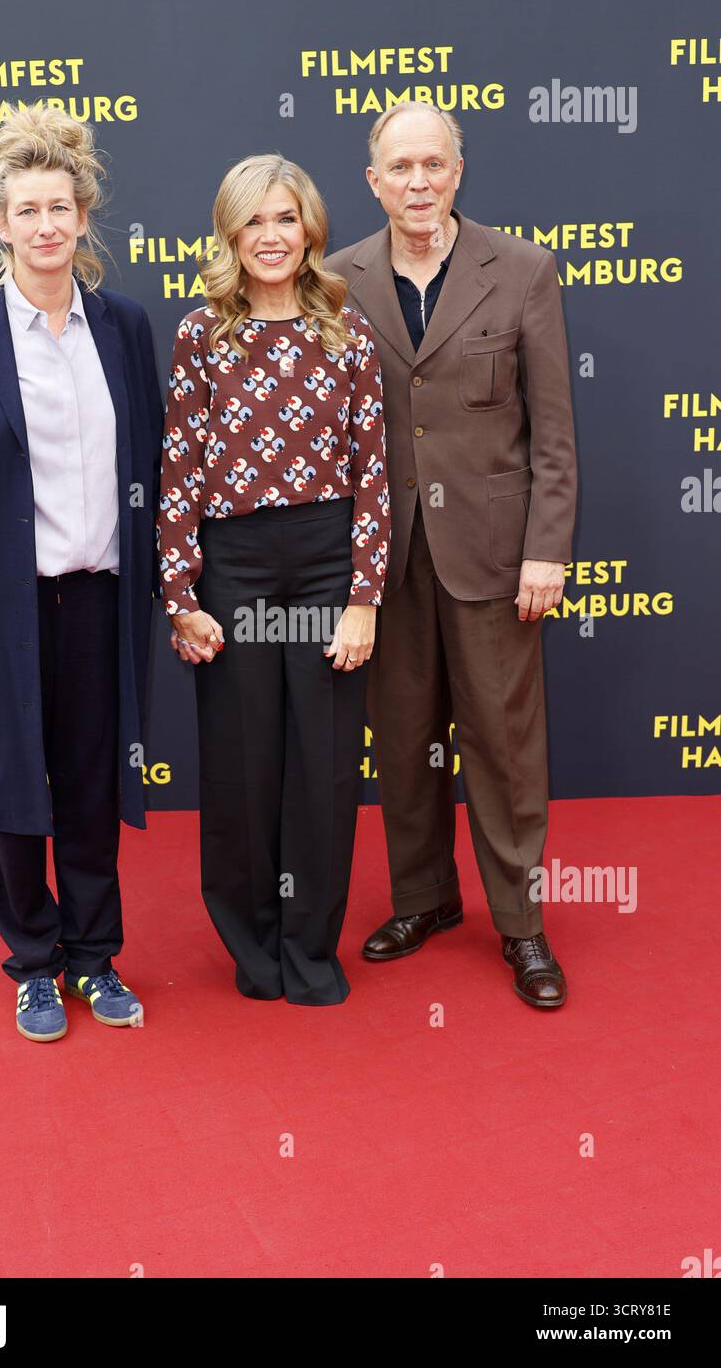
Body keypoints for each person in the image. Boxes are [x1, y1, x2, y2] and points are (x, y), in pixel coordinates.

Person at [0, 105, 163, 1040]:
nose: (46, 225)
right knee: (15, 780)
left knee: (92, 778)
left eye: (62, 206)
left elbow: (151, 454)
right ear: (0, 222)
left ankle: (97, 957)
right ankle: (34, 962)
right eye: (27, 210)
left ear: (83, 218)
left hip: (98, 593)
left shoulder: (125, 326)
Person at [325, 102, 577, 1008]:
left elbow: (553, 432)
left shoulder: (522, 271)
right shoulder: (336, 278)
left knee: (504, 748)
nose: (419, 182)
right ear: (374, 181)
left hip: (495, 555)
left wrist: (546, 550)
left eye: (434, 164)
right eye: (401, 168)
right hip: (382, 562)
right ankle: (424, 899)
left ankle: (523, 925)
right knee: (402, 743)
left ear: (458, 172)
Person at [158, 154, 390, 1006]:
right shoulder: (199, 336)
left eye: (285, 218)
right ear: (230, 232)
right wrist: (181, 595)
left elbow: (375, 474)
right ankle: (253, 947)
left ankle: (310, 948)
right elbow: (178, 469)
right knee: (241, 762)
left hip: (329, 561)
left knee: (325, 764)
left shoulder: (347, 329)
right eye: (253, 220)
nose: (270, 236)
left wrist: (364, 599)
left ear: (310, 230)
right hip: (236, 568)